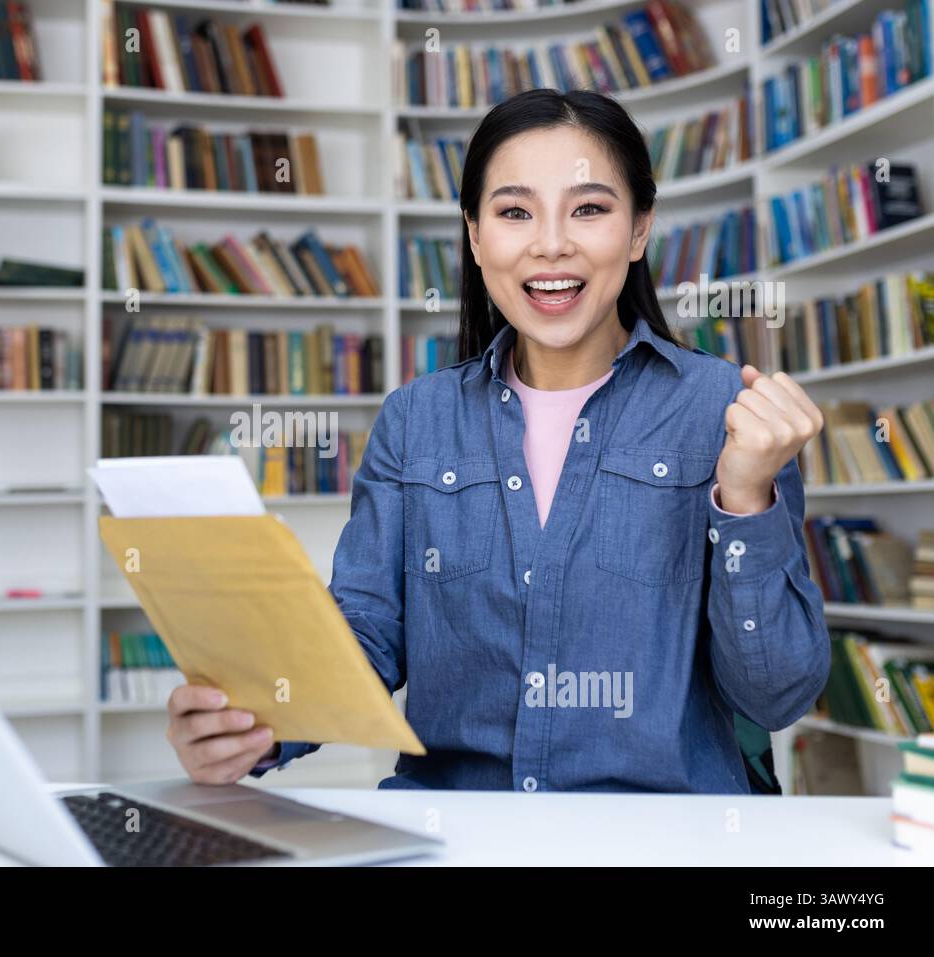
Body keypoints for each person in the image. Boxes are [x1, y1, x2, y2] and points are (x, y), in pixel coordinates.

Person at [165, 88, 830, 792]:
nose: (551, 243)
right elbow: (363, 633)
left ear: (639, 231)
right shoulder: (415, 420)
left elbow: (775, 695)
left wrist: (748, 496)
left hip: (657, 836)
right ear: (476, 237)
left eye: (590, 209)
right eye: (515, 211)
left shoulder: (727, 412)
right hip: (455, 830)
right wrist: (255, 721)